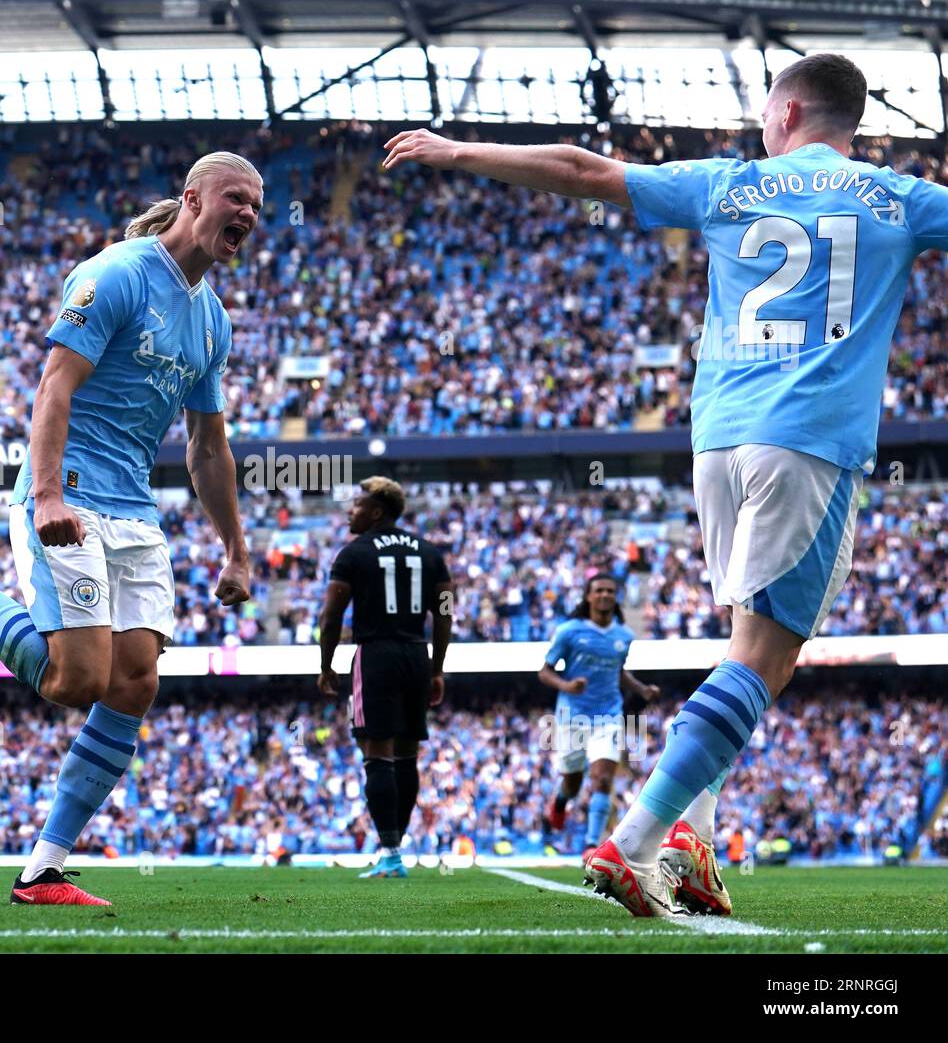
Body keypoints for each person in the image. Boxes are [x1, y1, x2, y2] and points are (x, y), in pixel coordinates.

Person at [384, 52, 945, 916]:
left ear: (788, 112)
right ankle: (635, 842)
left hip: (717, 445)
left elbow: (579, 168)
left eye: (766, 112)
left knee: (749, 653)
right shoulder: (900, 200)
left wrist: (457, 151)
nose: (763, 125)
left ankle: (693, 842)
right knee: (763, 659)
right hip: (810, 446)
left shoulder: (727, 187)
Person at [0, 152, 261, 905]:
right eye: (235, 198)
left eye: (257, 206)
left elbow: (208, 445)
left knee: (135, 683)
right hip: (71, 493)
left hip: (136, 511)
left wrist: (236, 548)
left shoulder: (213, 318)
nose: (248, 214)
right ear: (193, 198)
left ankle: (41, 868)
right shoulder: (116, 274)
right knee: (74, 680)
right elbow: (55, 383)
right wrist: (46, 492)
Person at [317, 477, 452, 878]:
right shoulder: (431, 554)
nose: (349, 511)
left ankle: (391, 853)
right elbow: (444, 614)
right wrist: (438, 667)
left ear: (376, 512)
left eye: (356, 505)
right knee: (407, 754)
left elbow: (331, 616)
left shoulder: (352, 553)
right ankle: (396, 848)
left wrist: (326, 664)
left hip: (375, 655)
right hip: (416, 655)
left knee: (377, 752)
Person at [538, 573, 659, 864]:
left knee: (603, 778)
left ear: (614, 597)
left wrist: (641, 688)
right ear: (589, 596)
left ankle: (591, 844)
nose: (604, 595)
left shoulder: (623, 636)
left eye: (609, 591)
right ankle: (560, 800)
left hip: (608, 716)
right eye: (599, 590)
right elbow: (544, 671)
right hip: (571, 717)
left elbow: (617, 671)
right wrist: (566, 685)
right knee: (573, 782)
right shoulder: (569, 631)